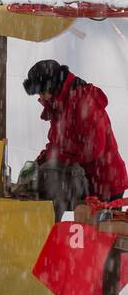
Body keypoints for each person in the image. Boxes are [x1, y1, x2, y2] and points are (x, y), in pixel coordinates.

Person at [24, 59, 128, 218]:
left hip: (105, 182)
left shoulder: (82, 100)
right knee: (85, 237)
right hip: (87, 183)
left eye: (41, 92)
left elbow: (93, 148)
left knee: (102, 237)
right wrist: (40, 162)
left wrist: (59, 159)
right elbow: (57, 143)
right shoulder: (59, 103)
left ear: (51, 86)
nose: (41, 97)